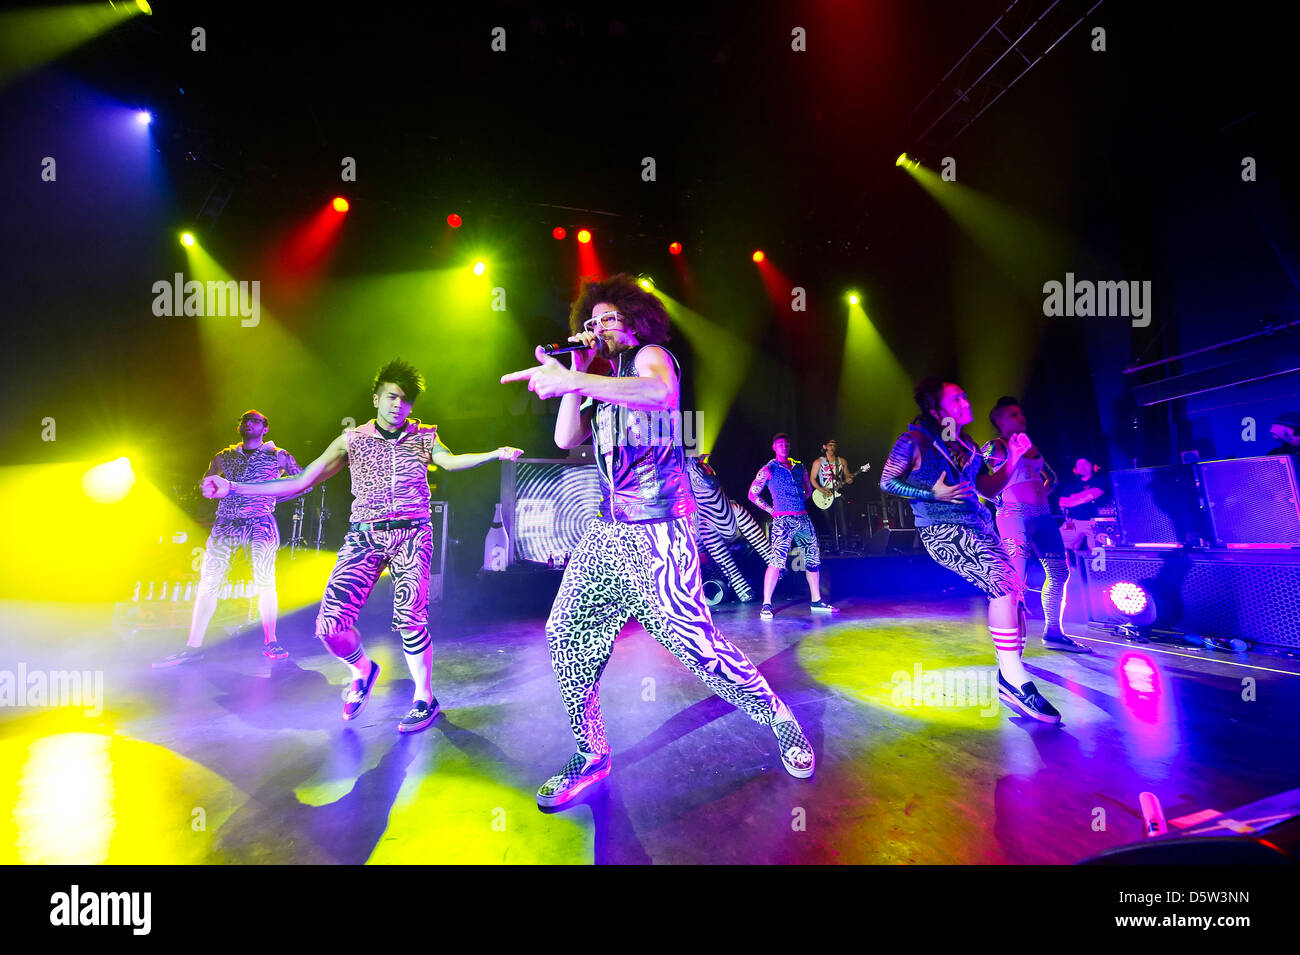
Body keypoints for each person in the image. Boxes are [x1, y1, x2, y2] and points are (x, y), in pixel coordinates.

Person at [501, 273, 815, 807]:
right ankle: (591, 752)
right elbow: (563, 439)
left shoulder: (652, 358)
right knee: (564, 635)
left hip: (659, 532)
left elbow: (658, 393)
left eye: (608, 319)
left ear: (634, 320)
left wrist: (579, 382)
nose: (596, 328)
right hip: (607, 531)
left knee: (699, 650)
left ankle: (781, 720)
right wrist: (575, 373)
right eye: (590, 321)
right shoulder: (602, 378)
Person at [202, 359, 522, 733]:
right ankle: (363, 670)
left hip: (412, 533)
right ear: (375, 398)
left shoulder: (424, 436)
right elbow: (301, 480)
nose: (396, 405)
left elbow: (448, 462)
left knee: (410, 618)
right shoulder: (351, 440)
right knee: (329, 625)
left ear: (411, 406)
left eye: (404, 400)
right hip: (365, 534)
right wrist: (235, 488)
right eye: (390, 397)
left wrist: (493, 454)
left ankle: (424, 698)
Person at [879, 377, 1063, 723]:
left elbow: (988, 488)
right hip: (942, 530)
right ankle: (1013, 678)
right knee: (1005, 584)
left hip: (980, 527)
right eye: (958, 399)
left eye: (965, 396)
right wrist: (931, 495)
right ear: (937, 408)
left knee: (1013, 593)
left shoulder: (966, 443)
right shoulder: (915, 440)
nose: (966, 402)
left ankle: (1011, 674)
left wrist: (1015, 458)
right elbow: (886, 480)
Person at [155, 410, 301, 667]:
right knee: (209, 580)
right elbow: (205, 482)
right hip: (226, 522)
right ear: (239, 427)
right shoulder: (224, 456)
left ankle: (271, 640)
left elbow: (302, 483)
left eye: (255, 421)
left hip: (260, 521)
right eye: (245, 420)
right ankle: (193, 646)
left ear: (265, 428)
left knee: (265, 580)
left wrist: (271, 498)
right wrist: (206, 489)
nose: (249, 424)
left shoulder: (278, 455)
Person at [985, 397, 1091, 653]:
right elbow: (983, 484)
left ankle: (1054, 632)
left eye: (1021, 413)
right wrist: (1002, 501)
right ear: (1000, 421)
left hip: (1042, 516)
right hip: (1014, 517)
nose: (1021, 417)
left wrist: (1039, 495)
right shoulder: (995, 447)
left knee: (1059, 573)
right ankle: (1010, 647)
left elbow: (1052, 478)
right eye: (1013, 415)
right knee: (1015, 581)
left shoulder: (1032, 447)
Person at [749, 433, 840, 618]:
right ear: (774, 447)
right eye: (780, 444)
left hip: (803, 519)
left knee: (813, 558)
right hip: (783, 520)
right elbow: (752, 494)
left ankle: (816, 600)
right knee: (776, 560)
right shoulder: (768, 469)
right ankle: (766, 604)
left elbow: (807, 490)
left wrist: (798, 503)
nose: (784, 447)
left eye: (787, 444)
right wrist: (771, 510)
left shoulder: (799, 467)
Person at [811, 438, 856, 552]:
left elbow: (847, 476)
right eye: (830, 445)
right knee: (829, 522)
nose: (832, 447)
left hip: (837, 493)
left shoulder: (841, 461)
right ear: (825, 447)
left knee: (843, 519)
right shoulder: (818, 462)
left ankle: (846, 546)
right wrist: (822, 490)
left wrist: (849, 479)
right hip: (824, 495)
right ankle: (833, 546)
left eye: (834, 445)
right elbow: (812, 479)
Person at [1057, 457, 1110, 552]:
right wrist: (1084, 498)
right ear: (1075, 469)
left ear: (1092, 466)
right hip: (1075, 522)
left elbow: (1094, 493)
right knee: (1059, 544)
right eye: (1079, 465)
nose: (1082, 467)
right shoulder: (1071, 485)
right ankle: (1070, 566)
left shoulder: (1100, 479)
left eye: (1085, 464)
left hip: (1096, 522)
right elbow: (1062, 502)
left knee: (1097, 551)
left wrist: (1073, 499)